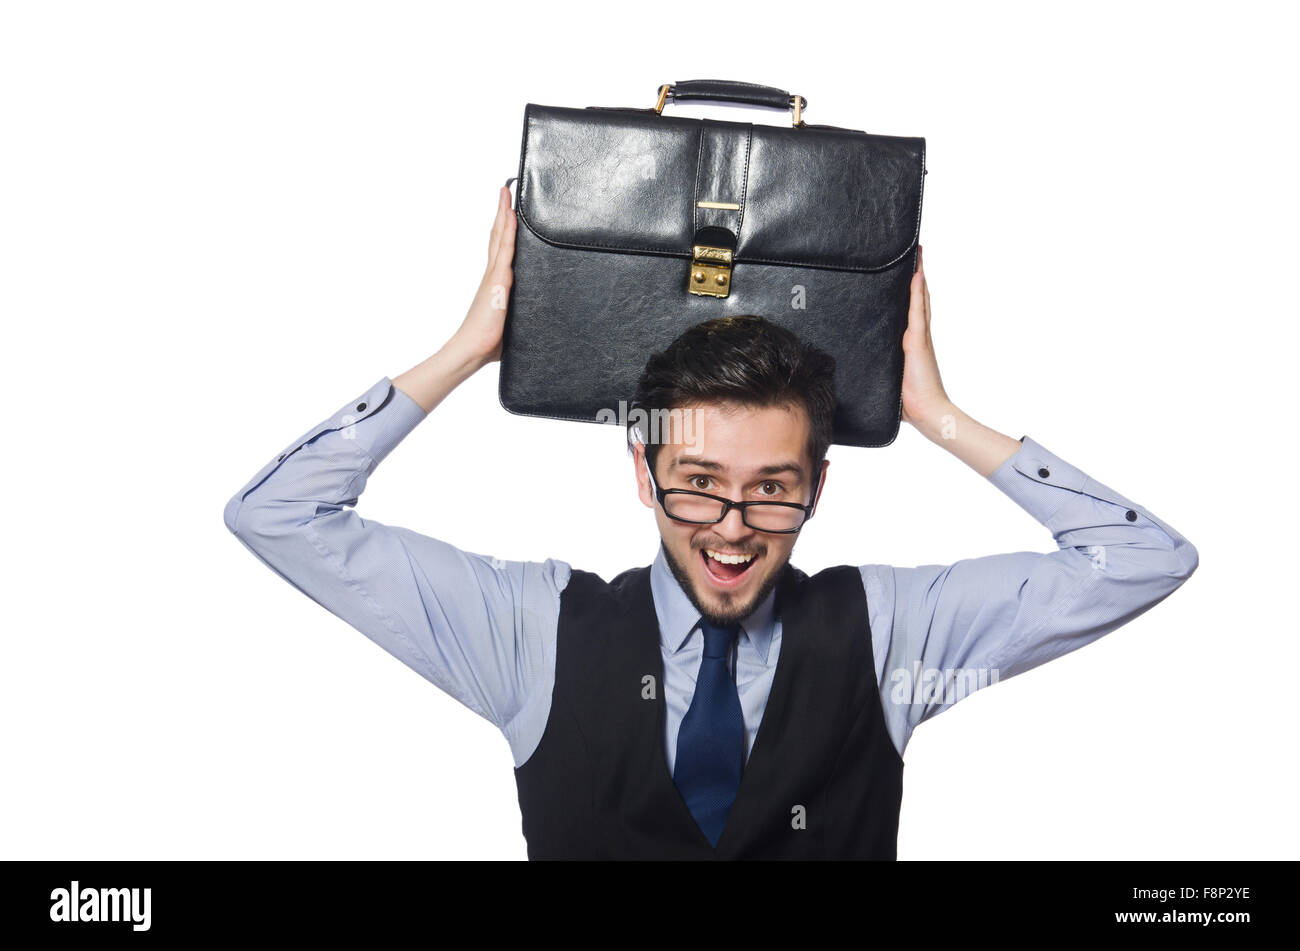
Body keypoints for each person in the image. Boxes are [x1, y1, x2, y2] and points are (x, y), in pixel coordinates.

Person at [223, 185, 1198, 859]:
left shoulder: (896, 630)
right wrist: (469, 345)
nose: (733, 526)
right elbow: (279, 514)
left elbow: (1143, 559)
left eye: (773, 486)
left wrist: (941, 419)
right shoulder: (526, 631)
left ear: (820, 486)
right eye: (697, 481)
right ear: (642, 476)